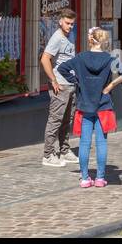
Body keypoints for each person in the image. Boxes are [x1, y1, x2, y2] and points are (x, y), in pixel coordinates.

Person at [58, 28, 122, 188]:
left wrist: (76, 80)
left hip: (84, 105)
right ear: (103, 41)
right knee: (101, 142)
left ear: (90, 40)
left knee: (84, 142)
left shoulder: (80, 58)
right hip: (103, 105)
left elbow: (61, 68)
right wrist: (110, 86)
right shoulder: (109, 58)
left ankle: (84, 177)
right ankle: (100, 178)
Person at [40, 9, 78, 167]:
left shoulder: (71, 35)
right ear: (60, 21)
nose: (70, 27)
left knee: (67, 119)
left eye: (72, 24)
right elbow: (45, 59)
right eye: (68, 23)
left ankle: (64, 149)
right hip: (60, 84)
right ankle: (48, 155)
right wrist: (53, 81)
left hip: (70, 83)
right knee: (55, 120)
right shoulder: (57, 38)